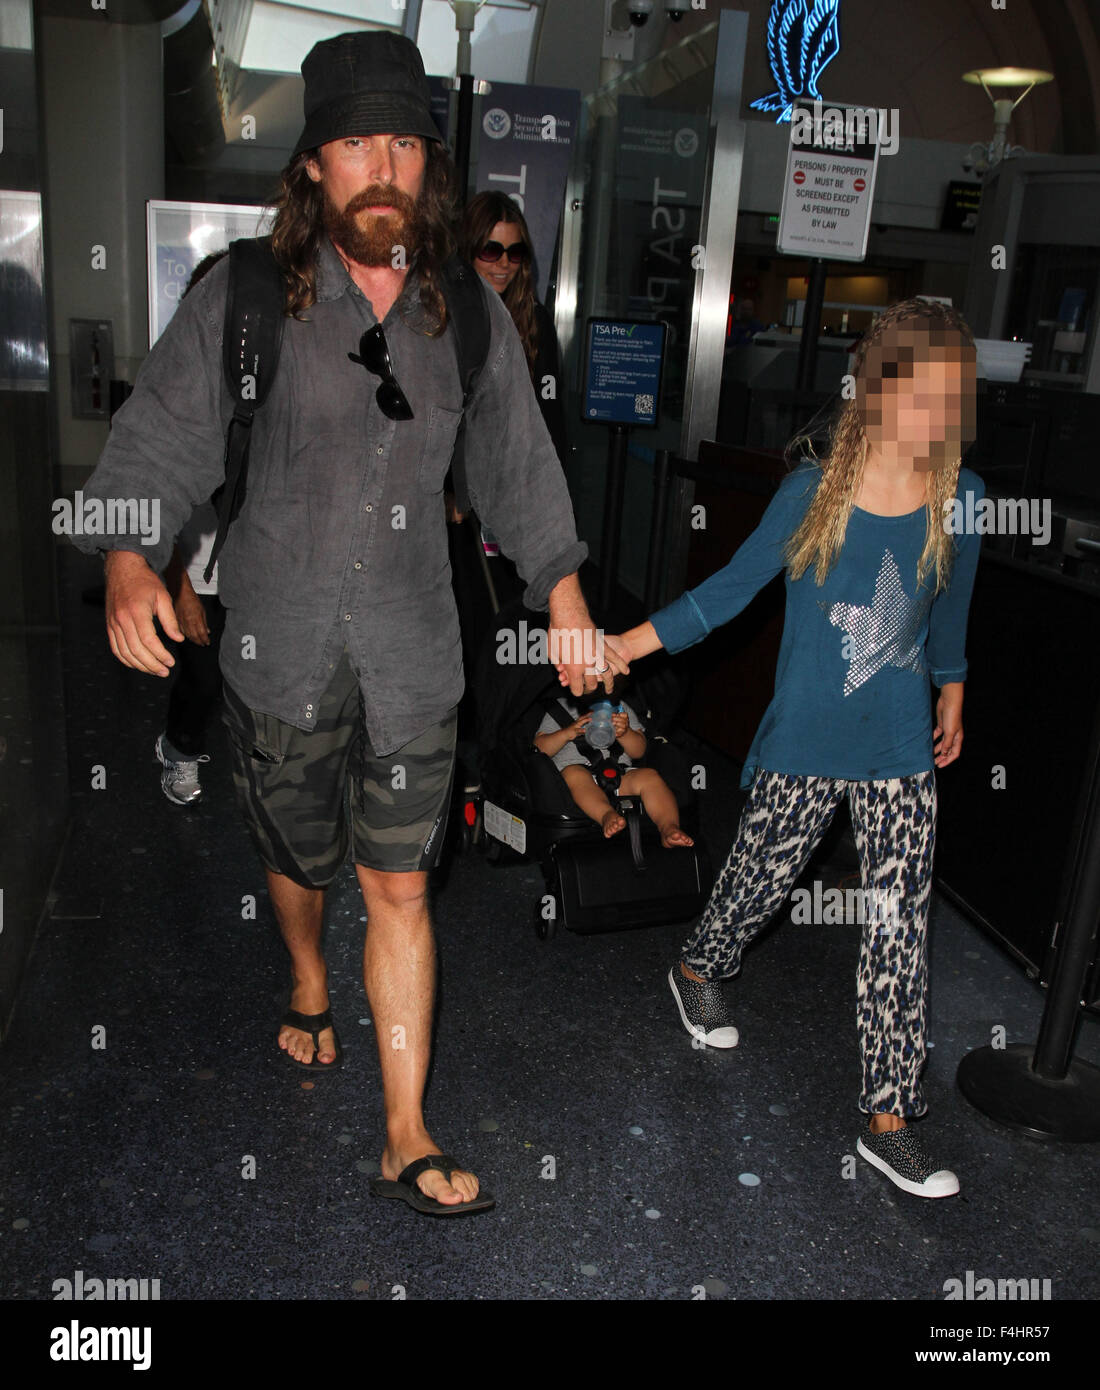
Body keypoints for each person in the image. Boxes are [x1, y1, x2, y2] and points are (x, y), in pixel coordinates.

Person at [72, 30, 626, 1217]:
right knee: (292, 858)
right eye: (354, 144)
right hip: (277, 644)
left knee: (401, 886)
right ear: (313, 165)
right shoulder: (247, 296)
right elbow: (159, 436)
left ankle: (404, 1130)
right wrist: (128, 553)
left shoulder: (465, 313)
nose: (382, 166)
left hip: (415, 651)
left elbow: (518, 464)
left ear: (425, 160)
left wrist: (563, 588)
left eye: (402, 144)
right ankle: (307, 978)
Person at [596, 298, 984, 1200]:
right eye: (924, 393)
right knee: (757, 888)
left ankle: (891, 1118)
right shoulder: (814, 492)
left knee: (897, 927)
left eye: (953, 397)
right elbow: (725, 594)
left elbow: (953, 602)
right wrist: (627, 645)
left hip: (897, 748)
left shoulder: (961, 496)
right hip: (806, 739)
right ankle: (697, 966)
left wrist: (954, 682)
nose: (940, 415)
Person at [155, 253, 228, 806]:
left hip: (257, 573)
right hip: (197, 574)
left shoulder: (259, 379)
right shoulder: (173, 387)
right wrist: (181, 591)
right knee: (203, 681)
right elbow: (155, 506)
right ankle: (178, 748)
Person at [534, 687, 694, 848]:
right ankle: (606, 815)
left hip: (620, 773)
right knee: (574, 774)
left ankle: (668, 827)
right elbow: (540, 748)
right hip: (577, 776)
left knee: (650, 777)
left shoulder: (620, 708)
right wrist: (566, 733)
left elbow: (639, 751)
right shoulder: (560, 708)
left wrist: (625, 733)